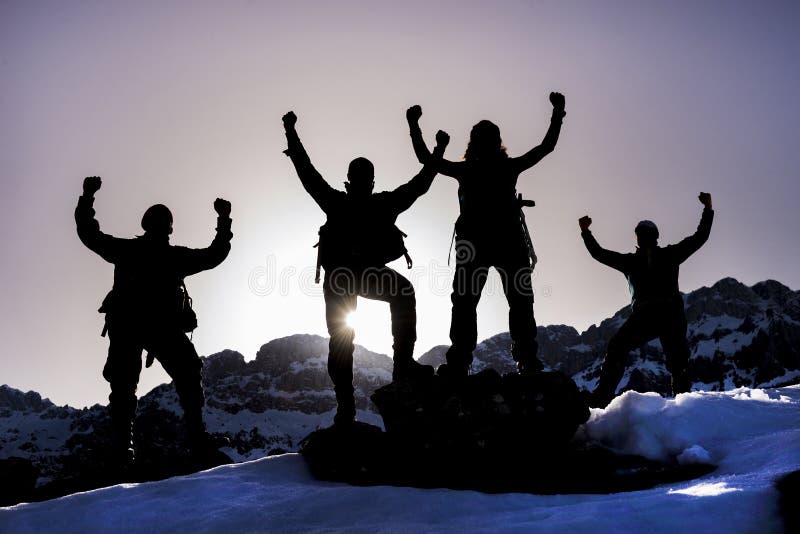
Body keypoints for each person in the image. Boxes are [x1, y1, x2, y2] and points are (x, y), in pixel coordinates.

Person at [282, 110, 449, 425]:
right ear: (371, 183)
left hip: (341, 278)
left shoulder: (338, 202)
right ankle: (392, 374)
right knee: (396, 298)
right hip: (354, 276)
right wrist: (438, 151)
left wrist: (291, 132)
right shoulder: (381, 204)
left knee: (344, 334)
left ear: (349, 182)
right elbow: (420, 185)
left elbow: (307, 174)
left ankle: (353, 399)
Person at [406, 93, 566, 378]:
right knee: (518, 299)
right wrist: (557, 113)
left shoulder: (466, 169)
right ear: (497, 142)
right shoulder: (507, 166)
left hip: (474, 244)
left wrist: (414, 125)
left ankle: (460, 361)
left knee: (466, 301)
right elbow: (546, 147)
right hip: (508, 242)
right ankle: (526, 360)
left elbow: (425, 160)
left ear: (472, 143)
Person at [75, 176, 233, 463]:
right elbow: (215, 254)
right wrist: (224, 220)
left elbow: (89, 234)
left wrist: (87, 197)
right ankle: (192, 440)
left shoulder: (129, 251)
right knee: (179, 374)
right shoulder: (173, 256)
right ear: (168, 228)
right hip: (151, 327)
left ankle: (125, 447)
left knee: (128, 385)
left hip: (132, 326)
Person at [579, 192, 714, 407]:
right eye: (641, 234)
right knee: (621, 347)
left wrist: (708, 209)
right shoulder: (645, 259)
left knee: (675, 360)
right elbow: (600, 254)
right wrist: (586, 232)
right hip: (655, 314)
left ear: (653, 237)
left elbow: (700, 237)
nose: (644, 238)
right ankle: (603, 397)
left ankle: (683, 405)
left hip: (663, 313)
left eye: (646, 234)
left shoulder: (661, 256)